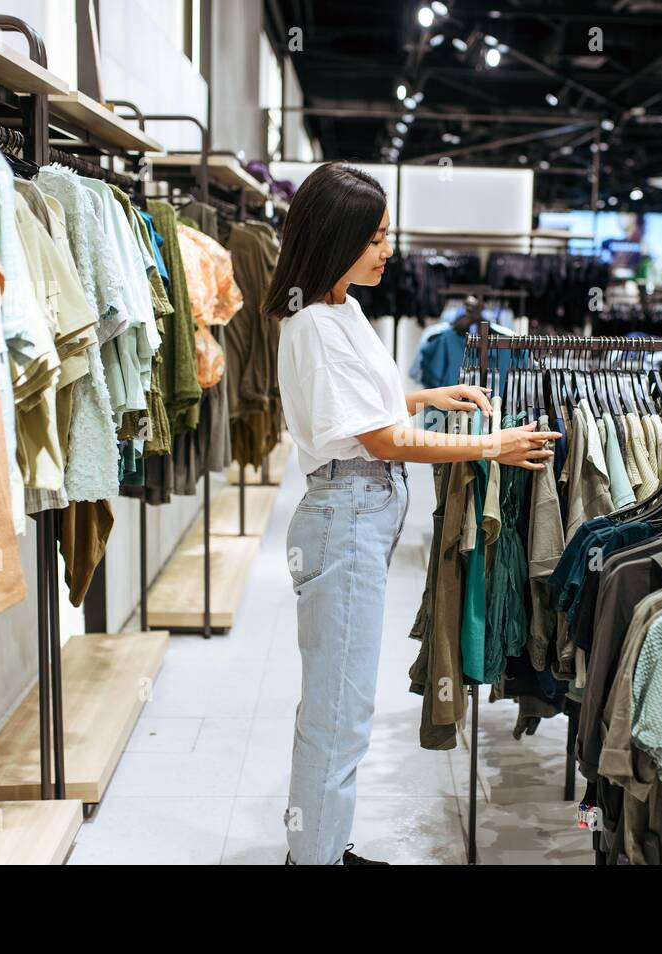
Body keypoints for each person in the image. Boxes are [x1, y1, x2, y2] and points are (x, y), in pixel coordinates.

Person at [263, 163, 561, 865]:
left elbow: (378, 408)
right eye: (373, 237)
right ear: (335, 239)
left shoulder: (341, 308)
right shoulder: (313, 323)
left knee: (341, 705)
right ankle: (313, 859)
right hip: (345, 514)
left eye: (386, 233)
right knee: (338, 712)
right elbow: (381, 439)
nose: (386, 249)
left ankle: (325, 848)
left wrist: (431, 396)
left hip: (358, 507)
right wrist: (492, 446)